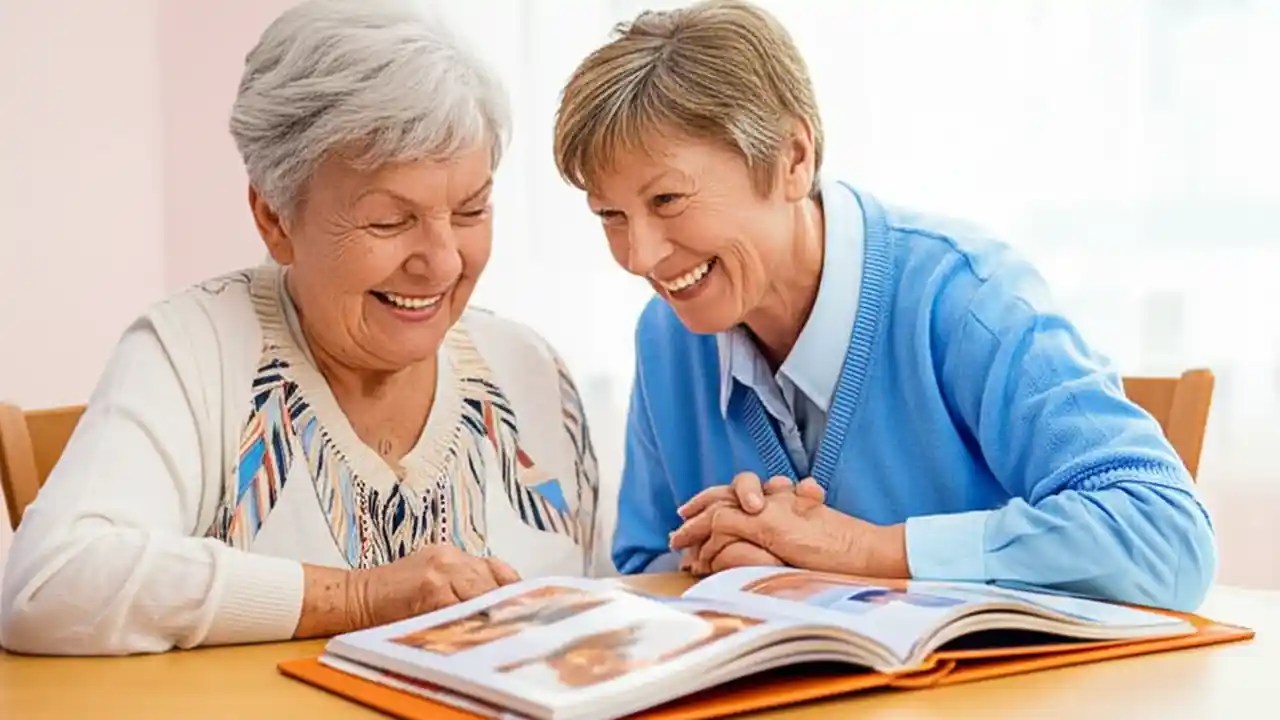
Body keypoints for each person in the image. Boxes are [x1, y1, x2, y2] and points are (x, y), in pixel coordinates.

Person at [552, 0, 1216, 611]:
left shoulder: (965, 298)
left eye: (667, 200)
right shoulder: (667, 337)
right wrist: (729, 556)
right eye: (610, 215)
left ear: (792, 157)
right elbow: (645, 566)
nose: (638, 256)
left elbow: (1167, 535)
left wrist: (860, 551)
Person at [0, 0, 606, 656]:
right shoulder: (193, 352)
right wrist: (358, 597)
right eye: (389, 221)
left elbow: (606, 631)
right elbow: (51, 586)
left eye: (470, 210)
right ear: (275, 217)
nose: (443, 260)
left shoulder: (531, 371)